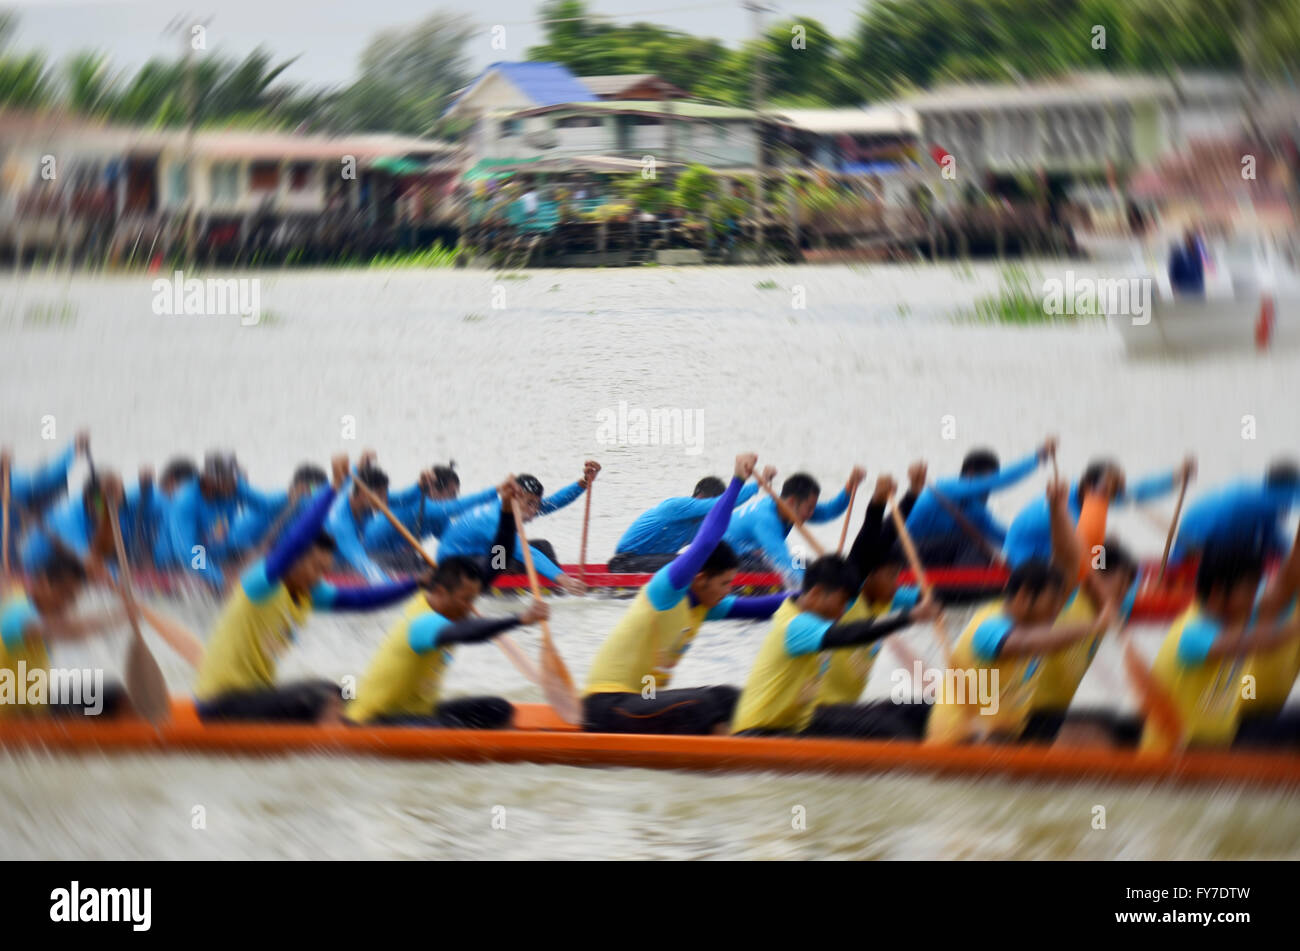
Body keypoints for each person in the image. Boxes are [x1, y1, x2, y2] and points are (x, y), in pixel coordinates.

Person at [192, 457, 417, 723]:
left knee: (338, 691)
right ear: (295, 559)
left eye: (324, 569)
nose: (319, 577)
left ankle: (362, 728)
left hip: (255, 697)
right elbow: (297, 538)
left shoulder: (311, 593)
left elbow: (362, 600)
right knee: (322, 698)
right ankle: (344, 748)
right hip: (220, 703)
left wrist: (417, 583)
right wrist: (333, 488)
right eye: (314, 567)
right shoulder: (263, 584)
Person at [583, 453, 790, 735]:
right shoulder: (667, 591)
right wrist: (739, 480)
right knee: (703, 705)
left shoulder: (706, 605)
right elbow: (706, 541)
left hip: (644, 699)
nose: (728, 591)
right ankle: (732, 754)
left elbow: (767, 607)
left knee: (728, 697)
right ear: (701, 578)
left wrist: (819, 595)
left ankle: (756, 743)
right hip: (608, 705)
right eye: (725, 583)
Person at [926, 481, 1118, 744]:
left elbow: (1070, 563)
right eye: (1052, 605)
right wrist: (1093, 626)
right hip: (962, 742)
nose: (1056, 612)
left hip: (1003, 736)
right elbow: (1025, 643)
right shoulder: (989, 626)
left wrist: (1056, 510)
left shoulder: (1037, 615)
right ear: (1025, 596)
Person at [347, 481, 548, 728]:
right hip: (377, 720)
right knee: (444, 727)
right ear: (439, 592)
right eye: (465, 601)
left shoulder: (453, 597)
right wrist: (519, 619)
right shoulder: (423, 620)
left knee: (498, 708)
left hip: (419, 713)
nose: (468, 608)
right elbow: (467, 632)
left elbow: (499, 560)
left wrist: (506, 509)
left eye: (472, 599)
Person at [729, 554, 941, 737]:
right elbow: (848, 635)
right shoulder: (794, 625)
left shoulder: (813, 618)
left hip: (799, 725)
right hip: (763, 733)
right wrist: (908, 616)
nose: (842, 612)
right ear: (816, 593)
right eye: (841, 603)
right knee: (891, 730)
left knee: (919, 710)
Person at [1141, 533, 1300, 753]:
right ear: (1218, 591)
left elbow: (1287, 581)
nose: (1255, 599)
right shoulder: (1190, 633)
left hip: (1221, 738)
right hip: (1184, 750)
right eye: (1249, 592)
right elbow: (1259, 642)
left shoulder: (1232, 616)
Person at [804, 473, 931, 739]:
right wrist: (876, 504)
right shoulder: (847, 600)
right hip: (814, 712)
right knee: (895, 732)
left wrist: (912, 495)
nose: (897, 585)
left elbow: (936, 597)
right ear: (869, 577)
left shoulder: (889, 601)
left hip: (846, 711)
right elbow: (867, 548)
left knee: (925, 710)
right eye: (892, 576)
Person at [1, 544, 166, 719]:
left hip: (35, 700)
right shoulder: (17, 615)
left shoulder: (38, 606)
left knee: (115, 694)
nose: (66, 603)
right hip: (15, 708)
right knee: (118, 701)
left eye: (72, 597)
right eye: (63, 594)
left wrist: (105, 579)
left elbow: (71, 623)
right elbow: (71, 630)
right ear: (41, 582)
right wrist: (121, 615)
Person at [438, 461, 600, 595]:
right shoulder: (495, 518)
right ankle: (558, 587)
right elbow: (524, 551)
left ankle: (557, 591)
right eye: (530, 504)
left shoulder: (515, 505)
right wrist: (563, 579)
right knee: (507, 559)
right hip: (456, 566)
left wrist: (584, 483)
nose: (534, 511)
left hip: (482, 554)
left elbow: (553, 503)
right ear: (515, 497)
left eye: (536, 504)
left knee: (543, 546)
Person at [1003, 455, 1194, 568]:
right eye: (1110, 492)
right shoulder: (1066, 508)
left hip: (1050, 550)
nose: (1111, 498)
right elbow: (1085, 550)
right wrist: (1104, 556)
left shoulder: (1089, 492)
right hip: (1026, 559)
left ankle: (1114, 584)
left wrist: (1175, 477)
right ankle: (1111, 591)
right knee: (1105, 548)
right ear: (1088, 486)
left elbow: (1135, 492)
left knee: (1106, 548)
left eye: (1114, 492)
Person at [903, 439, 1054, 565]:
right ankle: (963, 585)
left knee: (999, 554)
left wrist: (1053, 552)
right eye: (988, 480)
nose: (989, 489)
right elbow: (999, 481)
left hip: (930, 560)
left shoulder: (977, 513)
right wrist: (1039, 456)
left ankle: (965, 589)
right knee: (971, 544)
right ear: (970, 474)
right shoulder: (945, 487)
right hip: (904, 552)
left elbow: (1012, 539)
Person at [608, 468, 769, 574]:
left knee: (712, 558)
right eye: (709, 504)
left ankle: (761, 570)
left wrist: (751, 554)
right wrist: (758, 484)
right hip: (624, 564)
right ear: (699, 498)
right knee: (691, 560)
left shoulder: (699, 526)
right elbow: (721, 505)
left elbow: (722, 544)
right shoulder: (676, 506)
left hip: (649, 564)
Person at [722, 467, 864, 584]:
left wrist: (850, 485)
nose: (812, 513)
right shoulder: (766, 520)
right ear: (791, 502)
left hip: (751, 554)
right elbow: (782, 560)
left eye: (813, 508)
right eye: (809, 508)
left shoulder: (786, 504)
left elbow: (828, 511)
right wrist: (817, 587)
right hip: (725, 558)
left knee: (805, 563)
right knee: (798, 569)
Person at [364, 463, 500, 573]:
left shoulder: (439, 518)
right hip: (369, 555)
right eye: (452, 494)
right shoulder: (419, 504)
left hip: (396, 557)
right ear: (433, 489)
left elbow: (457, 541)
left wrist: (488, 554)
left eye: (456, 495)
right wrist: (496, 491)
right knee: (429, 572)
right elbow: (457, 506)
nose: (454, 499)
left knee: (440, 568)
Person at [1172, 461, 1300, 563]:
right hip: (1200, 547)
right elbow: (1274, 540)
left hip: (1189, 544)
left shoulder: (1254, 490)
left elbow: (1272, 539)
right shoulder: (1265, 503)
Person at [1, 434, 87, 566]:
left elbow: (44, 481)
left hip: (9, 562)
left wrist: (72, 450)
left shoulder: (15, 484)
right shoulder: (15, 483)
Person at [1168, 228, 1205, 296]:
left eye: (1192, 239)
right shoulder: (1177, 252)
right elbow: (1172, 273)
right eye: (1189, 238)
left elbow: (1200, 272)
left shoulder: (1197, 252)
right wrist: (1174, 290)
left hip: (1197, 289)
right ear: (1185, 239)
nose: (1191, 240)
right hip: (1183, 289)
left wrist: (1202, 290)